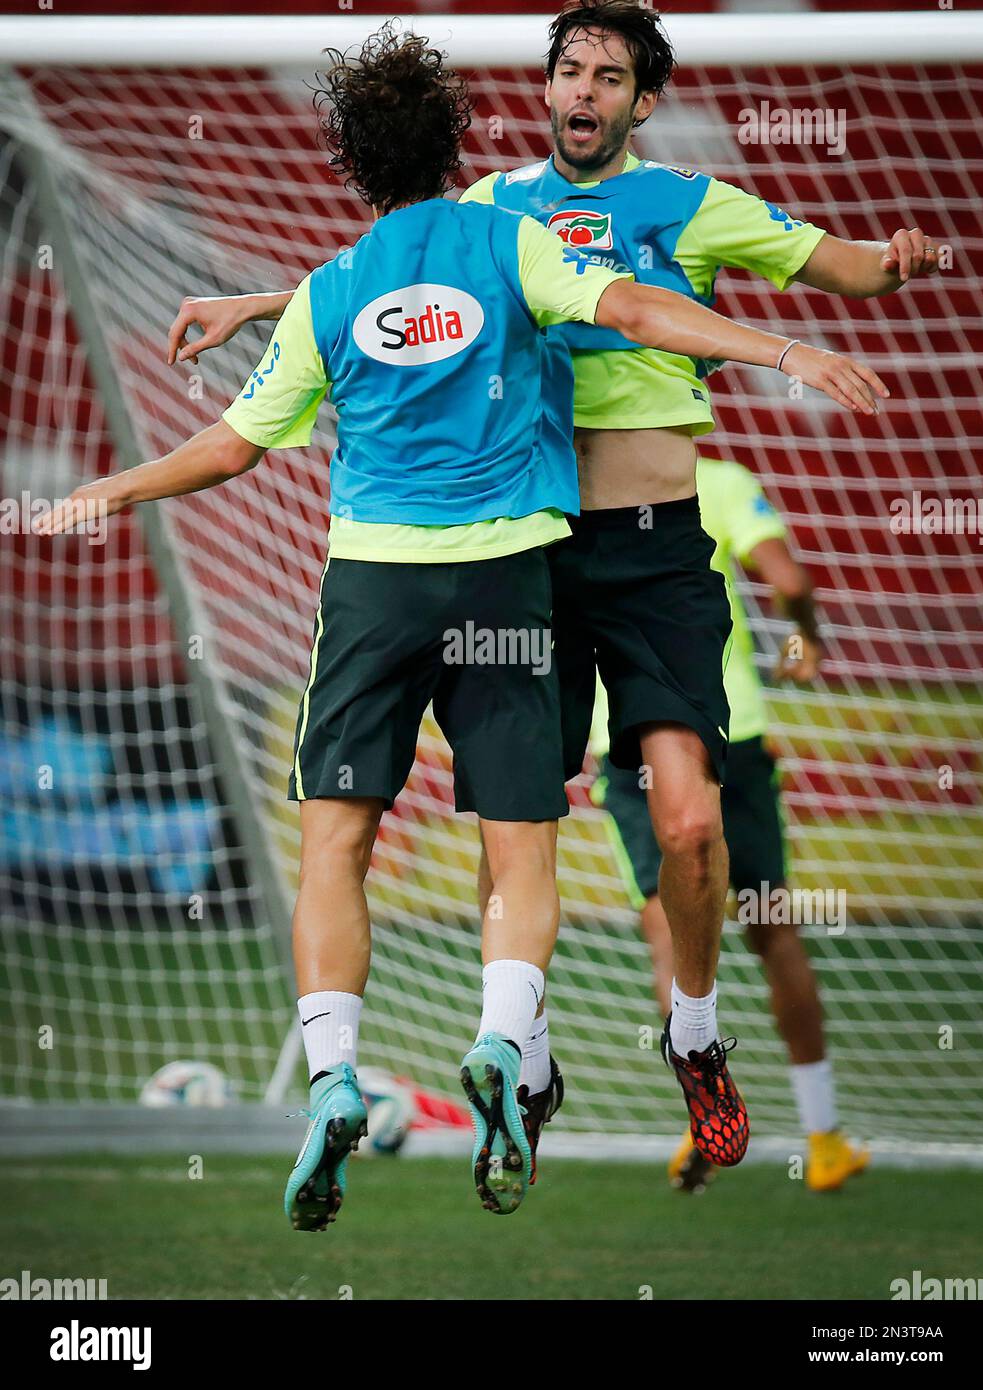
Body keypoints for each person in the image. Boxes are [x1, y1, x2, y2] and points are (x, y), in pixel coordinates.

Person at [163, 3, 899, 1183]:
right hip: (535, 546)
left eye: (610, 76)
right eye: (570, 70)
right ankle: (531, 1047)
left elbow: (840, 266)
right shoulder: (492, 209)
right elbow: (378, 272)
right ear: (548, 87)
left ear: (642, 103)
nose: (585, 91)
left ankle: (696, 1039)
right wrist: (258, 307)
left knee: (691, 828)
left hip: (658, 554)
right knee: (515, 814)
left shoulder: (692, 206)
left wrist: (895, 264)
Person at [591, 457, 869, 1193]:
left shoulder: (574, 473)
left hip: (627, 741)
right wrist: (802, 640)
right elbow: (791, 582)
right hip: (727, 733)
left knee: (665, 932)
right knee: (773, 928)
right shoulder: (715, 481)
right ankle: (823, 1137)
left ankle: (703, 1115)